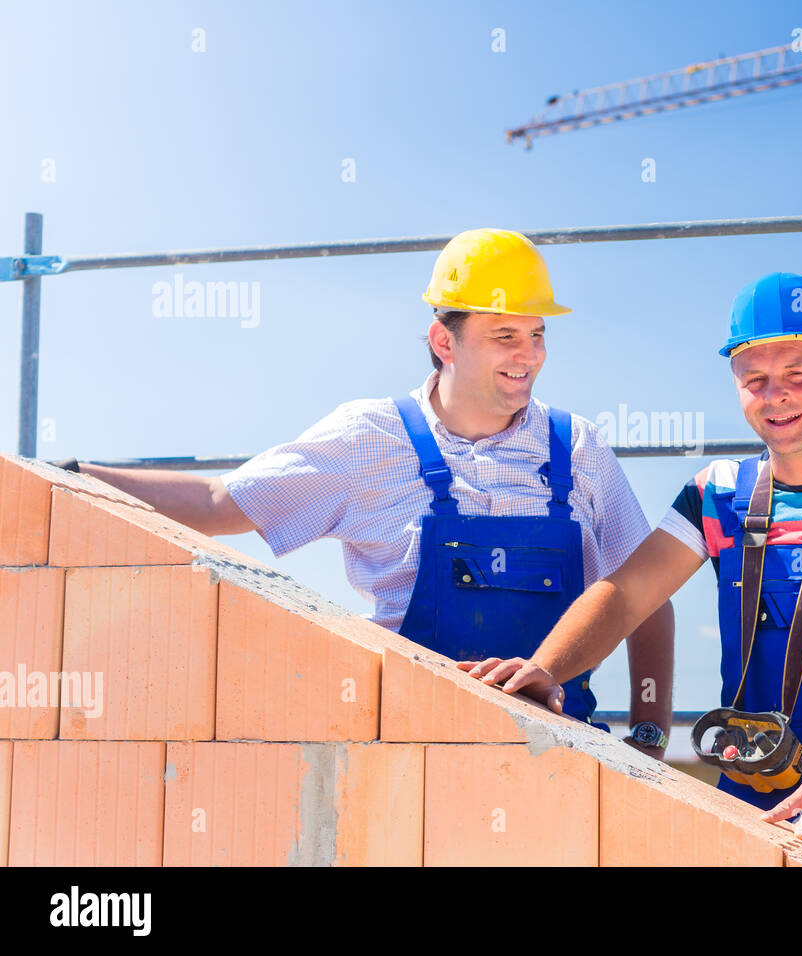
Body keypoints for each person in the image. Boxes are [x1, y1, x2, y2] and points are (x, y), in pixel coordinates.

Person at [56, 228, 674, 755]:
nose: (529, 356)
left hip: (559, 753)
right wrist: (75, 475)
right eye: (504, 336)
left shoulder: (579, 449)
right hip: (407, 753)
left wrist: (648, 734)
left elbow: (647, 595)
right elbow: (221, 503)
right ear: (444, 341)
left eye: (536, 334)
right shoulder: (369, 439)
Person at [462, 272, 802, 863]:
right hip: (755, 792)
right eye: (755, 379)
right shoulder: (718, 494)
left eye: (798, 376)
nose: (775, 394)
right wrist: (548, 669)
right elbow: (629, 594)